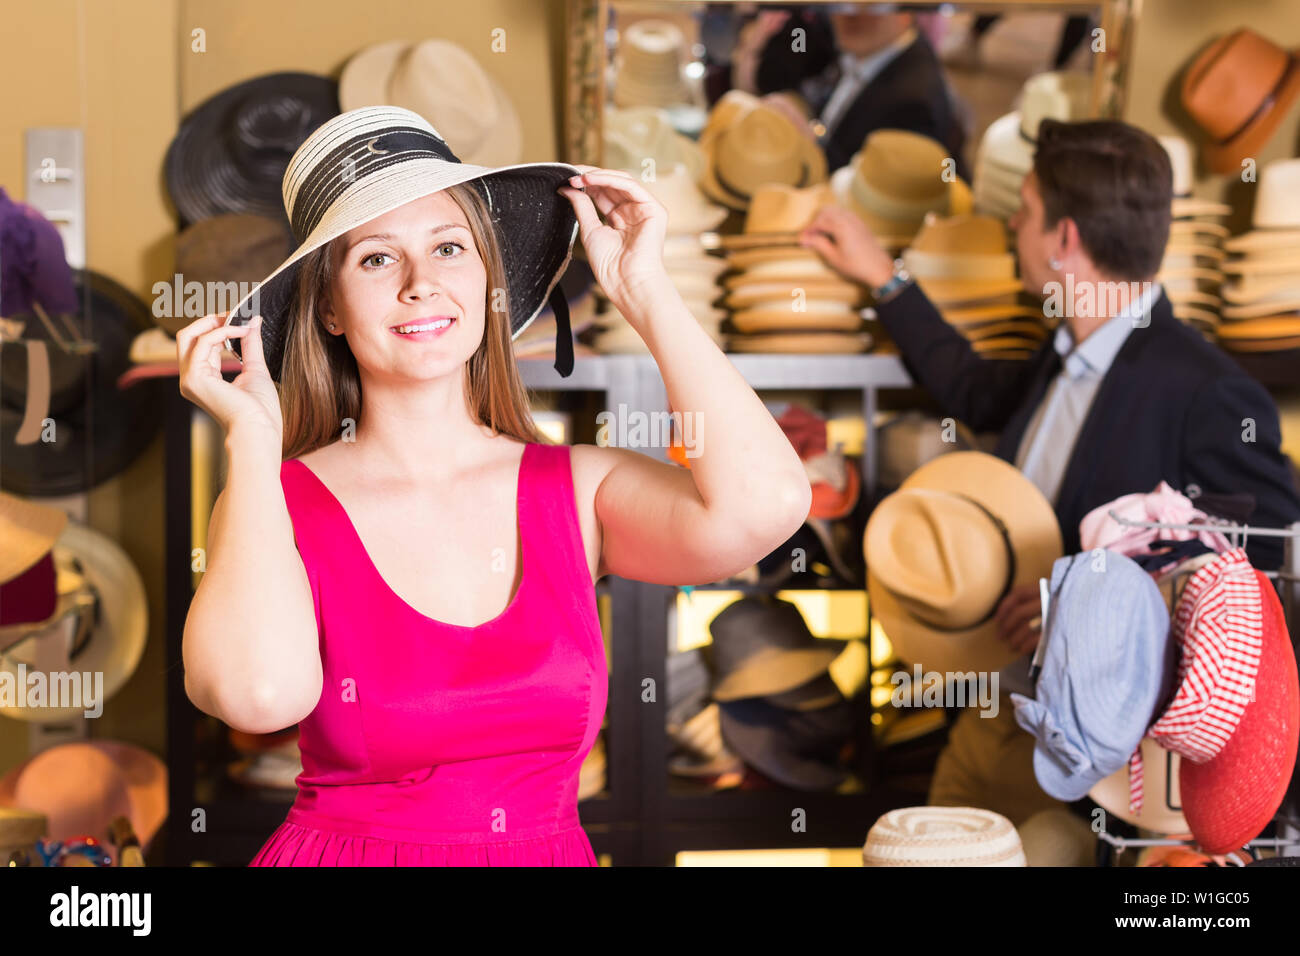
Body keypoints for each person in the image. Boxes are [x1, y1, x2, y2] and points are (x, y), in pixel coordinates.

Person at [176, 106, 812, 866]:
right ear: (328, 309)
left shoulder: (576, 487)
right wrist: (251, 440)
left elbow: (766, 506)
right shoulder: (275, 501)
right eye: (377, 259)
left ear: (488, 280)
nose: (421, 284)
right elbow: (256, 697)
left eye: (450, 248)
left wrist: (646, 293)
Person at [799, 117, 1300, 824]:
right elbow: (972, 389)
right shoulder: (1060, 353)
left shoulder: (1207, 392)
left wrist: (1091, 611)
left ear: (1065, 239)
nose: (1010, 225)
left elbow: (1266, 585)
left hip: (1088, 763)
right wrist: (886, 278)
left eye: (1025, 210)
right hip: (988, 717)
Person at [753, 7, 967, 178]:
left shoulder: (912, 101)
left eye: (868, 6)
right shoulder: (871, 52)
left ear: (903, 11)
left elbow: (877, 195)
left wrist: (809, 139)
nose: (849, 15)